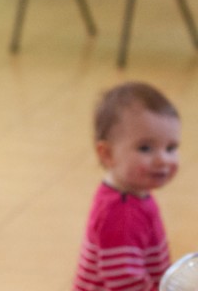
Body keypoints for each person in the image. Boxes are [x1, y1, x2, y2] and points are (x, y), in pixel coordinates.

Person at [73, 81, 182, 291]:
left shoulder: (134, 192)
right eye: (145, 148)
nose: (163, 160)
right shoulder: (120, 214)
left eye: (171, 147)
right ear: (107, 154)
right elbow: (125, 283)